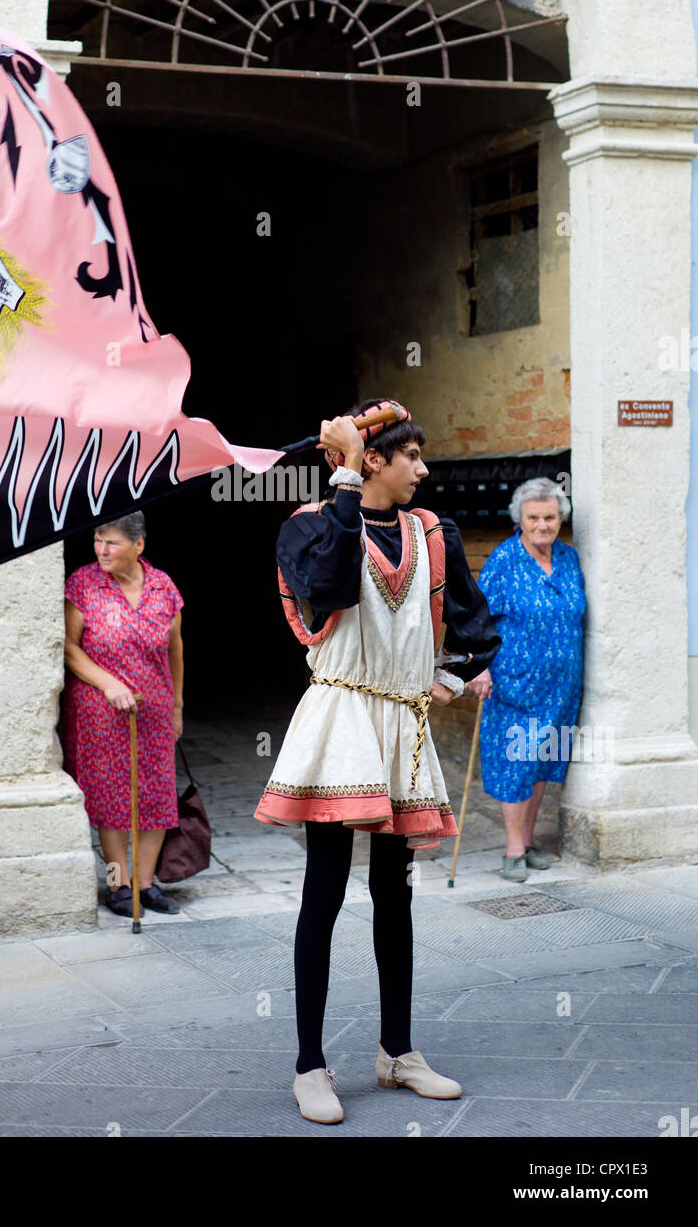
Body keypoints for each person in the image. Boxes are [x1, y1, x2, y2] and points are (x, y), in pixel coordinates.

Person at [254, 400, 501, 1124]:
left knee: (395, 894)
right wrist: (339, 490)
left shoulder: (434, 534)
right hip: (339, 721)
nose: (423, 470)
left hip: (402, 723)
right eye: (411, 457)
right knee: (323, 894)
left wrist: (449, 679)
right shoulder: (306, 526)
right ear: (372, 462)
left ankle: (397, 1053)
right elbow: (326, 589)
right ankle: (309, 1066)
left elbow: (477, 626)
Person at [62, 512, 184, 916]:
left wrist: (177, 705)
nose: (102, 550)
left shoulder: (164, 586)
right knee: (112, 800)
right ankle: (118, 885)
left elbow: (175, 649)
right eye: (98, 540)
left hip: (155, 710)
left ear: (139, 545)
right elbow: (68, 647)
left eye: (111, 542)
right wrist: (109, 683)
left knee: (157, 796)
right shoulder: (84, 584)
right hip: (100, 713)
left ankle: (145, 886)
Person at [465, 477, 586, 883]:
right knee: (516, 762)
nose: (542, 525)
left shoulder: (569, 559)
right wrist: (478, 667)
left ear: (560, 518)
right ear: (520, 518)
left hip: (563, 688)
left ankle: (529, 842)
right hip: (516, 684)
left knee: (544, 763)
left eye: (549, 517)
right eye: (533, 517)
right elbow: (478, 619)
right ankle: (513, 849)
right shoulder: (504, 560)